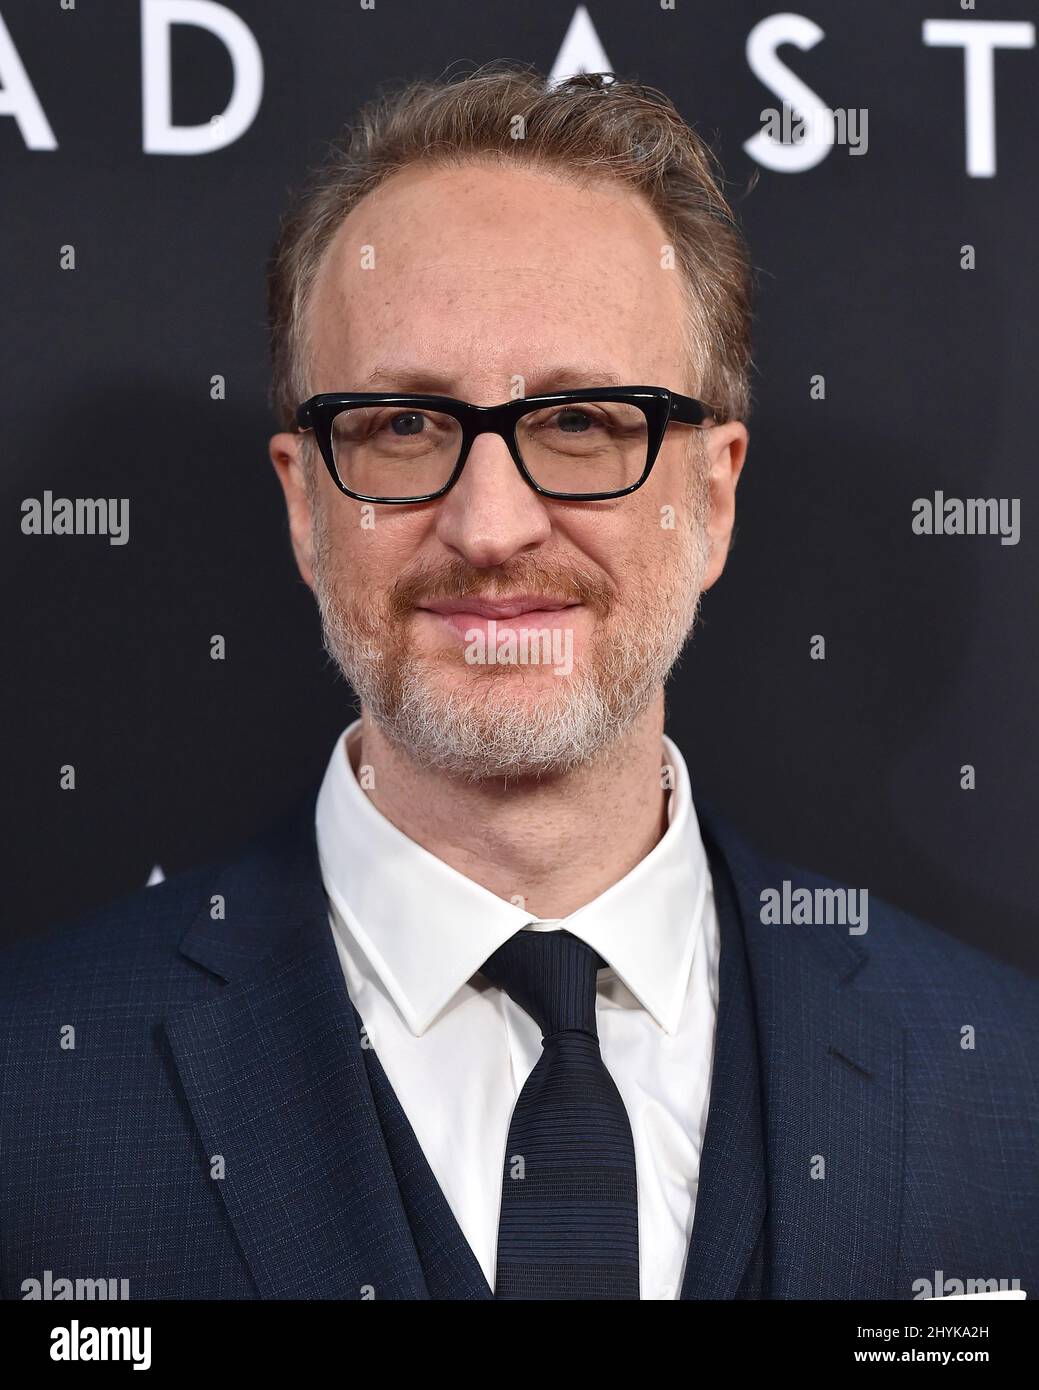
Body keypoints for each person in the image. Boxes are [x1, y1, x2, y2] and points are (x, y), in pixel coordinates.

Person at [2, 65, 1036, 1302]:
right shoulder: (32, 1085)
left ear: (711, 500)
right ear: (302, 501)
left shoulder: (1002, 1081)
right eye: (401, 426)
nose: (490, 527)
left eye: (583, 423)